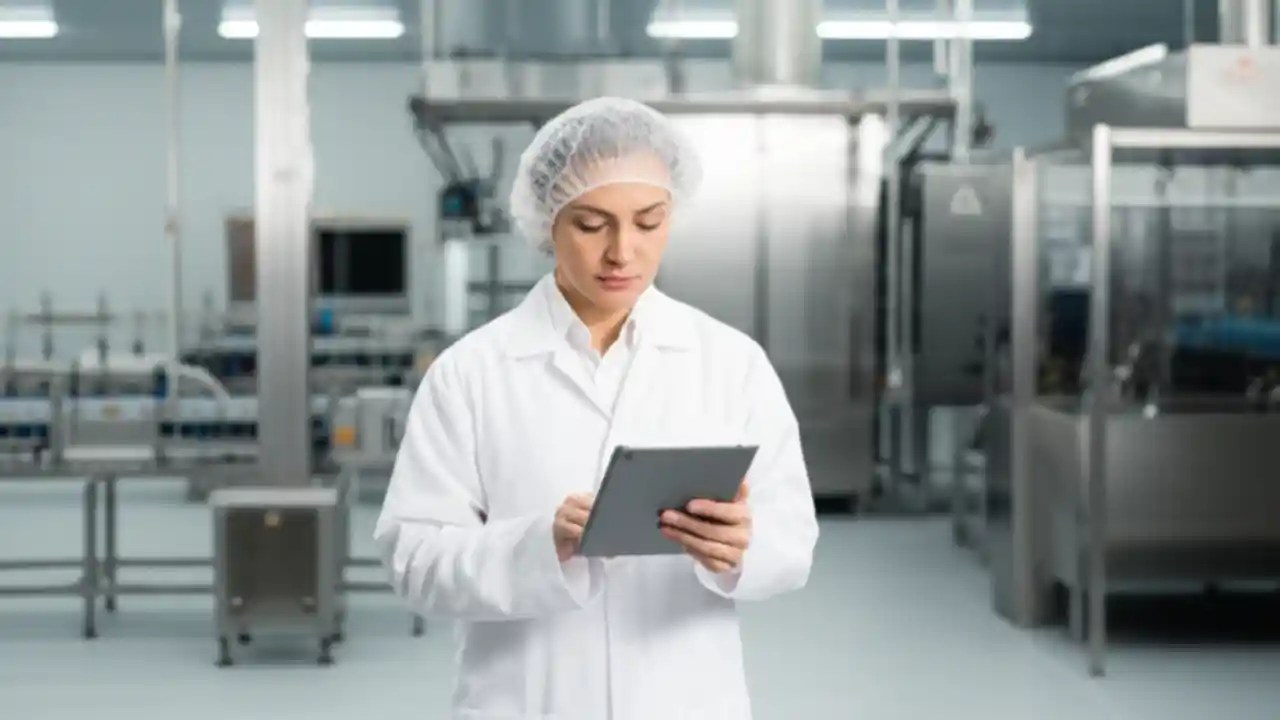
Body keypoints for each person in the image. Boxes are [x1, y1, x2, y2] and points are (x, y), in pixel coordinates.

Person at [375, 97, 819, 720]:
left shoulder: (730, 363)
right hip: (526, 701)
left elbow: (793, 541)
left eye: (648, 221)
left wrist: (739, 547)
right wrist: (539, 545)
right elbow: (414, 561)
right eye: (591, 224)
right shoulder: (470, 373)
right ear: (547, 222)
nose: (622, 252)